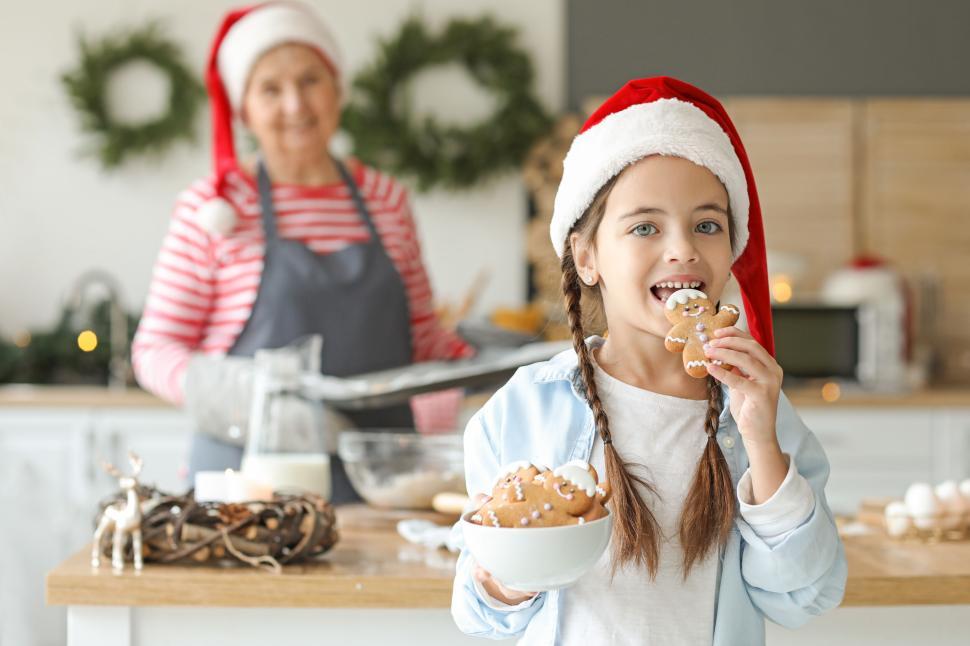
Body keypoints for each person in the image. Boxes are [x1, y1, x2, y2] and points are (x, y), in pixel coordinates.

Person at [450, 77, 846, 644]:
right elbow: (479, 612)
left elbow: (804, 594)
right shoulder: (525, 408)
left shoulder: (757, 408)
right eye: (645, 227)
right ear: (587, 257)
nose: (683, 247)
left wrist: (761, 439)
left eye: (707, 225)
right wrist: (512, 574)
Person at [132, 2, 472, 503]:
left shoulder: (386, 201)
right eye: (270, 88)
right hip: (247, 490)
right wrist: (250, 399)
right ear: (244, 108)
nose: (296, 105)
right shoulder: (216, 208)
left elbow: (421, 339)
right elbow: (154, 351)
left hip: (379, 486)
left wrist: (488, 361)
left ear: (337, 88)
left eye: (310, 80)